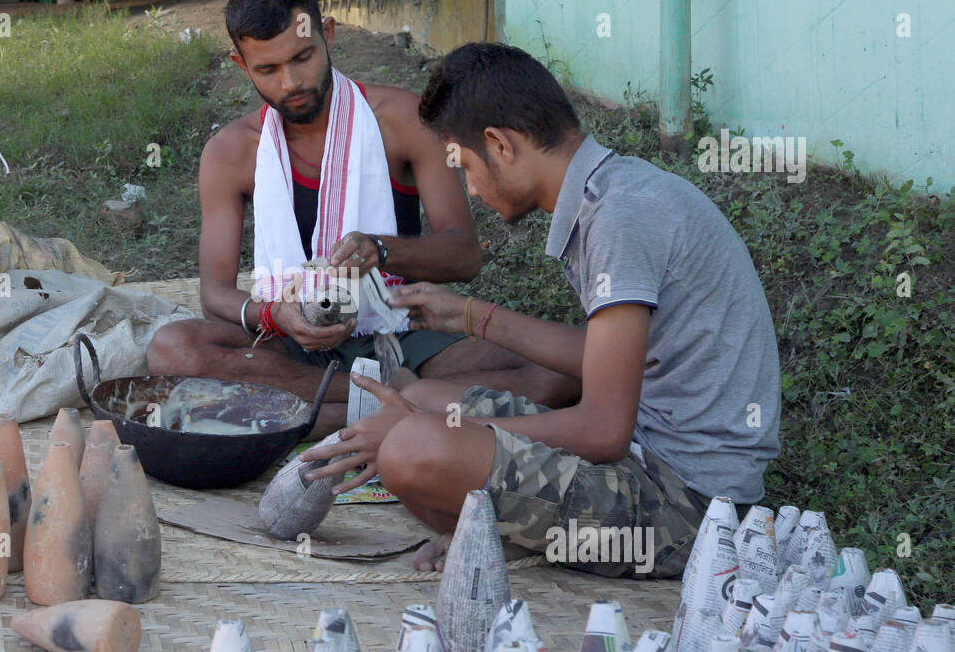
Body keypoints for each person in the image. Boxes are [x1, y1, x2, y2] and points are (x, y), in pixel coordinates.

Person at [301, 42, 782, 578]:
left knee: (411, 446)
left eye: (465, 167)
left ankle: (503, 530)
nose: (473, 190)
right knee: (421, 395)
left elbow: (603, 432)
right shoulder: (615, 194)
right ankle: (504, 529)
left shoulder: (621, 218)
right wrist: (468, 317)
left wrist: (441, 428)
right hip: (647, 453)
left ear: (499, 144)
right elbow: (612, 361)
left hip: (693, 507)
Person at [147, 0, 575, 435]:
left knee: (567, 368)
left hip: (403, 332)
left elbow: (464, 254)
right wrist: (275, 315)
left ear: (327, 35)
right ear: (241, 65)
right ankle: (394, 402)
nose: (291, 82)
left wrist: (381, 250)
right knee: (173, 349)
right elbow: (215, 294)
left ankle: (308, 417)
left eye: (303, 57)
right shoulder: (231, 152)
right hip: (293, 340)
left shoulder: (403, 121)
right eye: (267, 70)